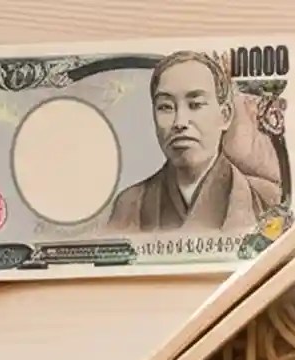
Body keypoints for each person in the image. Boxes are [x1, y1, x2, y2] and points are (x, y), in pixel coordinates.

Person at [105, 50, 281, 234]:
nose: (179, 122)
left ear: (225, 115)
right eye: (165, 107)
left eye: (195, 104)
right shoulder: (130, 205)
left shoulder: (267, 199)